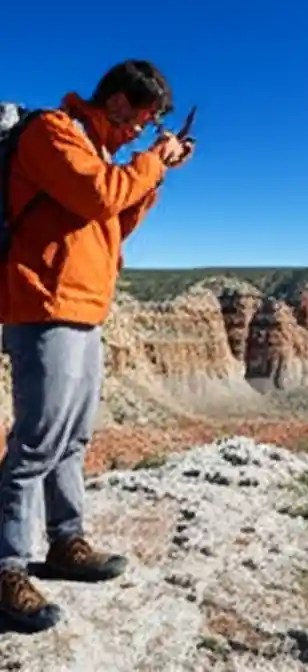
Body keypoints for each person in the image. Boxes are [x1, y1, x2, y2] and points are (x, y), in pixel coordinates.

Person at [0, 60, 194, 631]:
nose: (143, 128)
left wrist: (155, 176)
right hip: (43, 304)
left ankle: (66, 543)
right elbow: (98, 195)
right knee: (36, 443)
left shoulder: (102, 154)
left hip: (86, 307)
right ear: (114, 101)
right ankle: (7, 569)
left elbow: (115, 220)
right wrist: (151, 162)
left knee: (72, 439)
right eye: (141, 115)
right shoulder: (53, 132)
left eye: (153, 121)